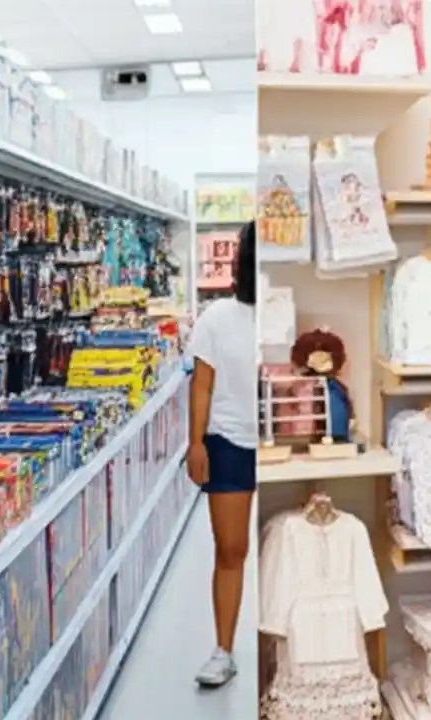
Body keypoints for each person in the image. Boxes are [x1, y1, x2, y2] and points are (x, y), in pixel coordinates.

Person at [187, 221, 257, 688]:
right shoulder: (216, 317)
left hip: (281, 443)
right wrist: (195, 443)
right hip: (229, 441)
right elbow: (202, 385)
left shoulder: (283, 308)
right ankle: (223, 650)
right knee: (231, 550)